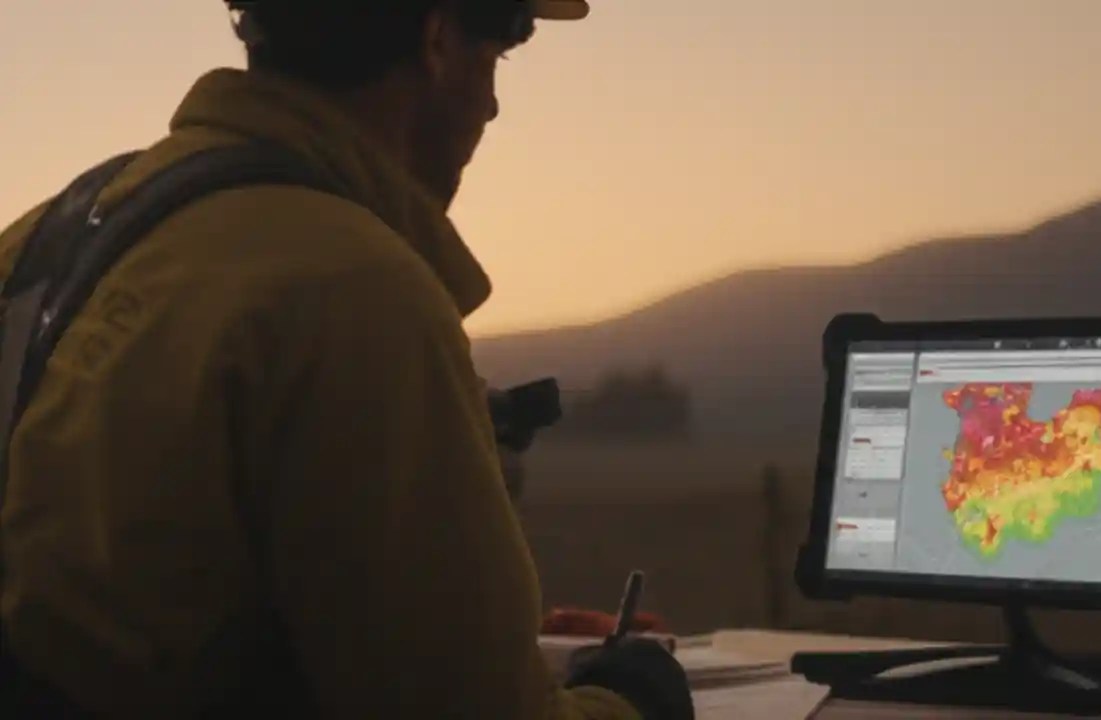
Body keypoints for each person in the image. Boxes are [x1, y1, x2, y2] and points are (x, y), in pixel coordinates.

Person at [0, 0, 693, 717]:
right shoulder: (356, 288)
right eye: (502, 49)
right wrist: (641, 696)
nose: (490, 106)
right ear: (438, 38)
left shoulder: (44, 241)